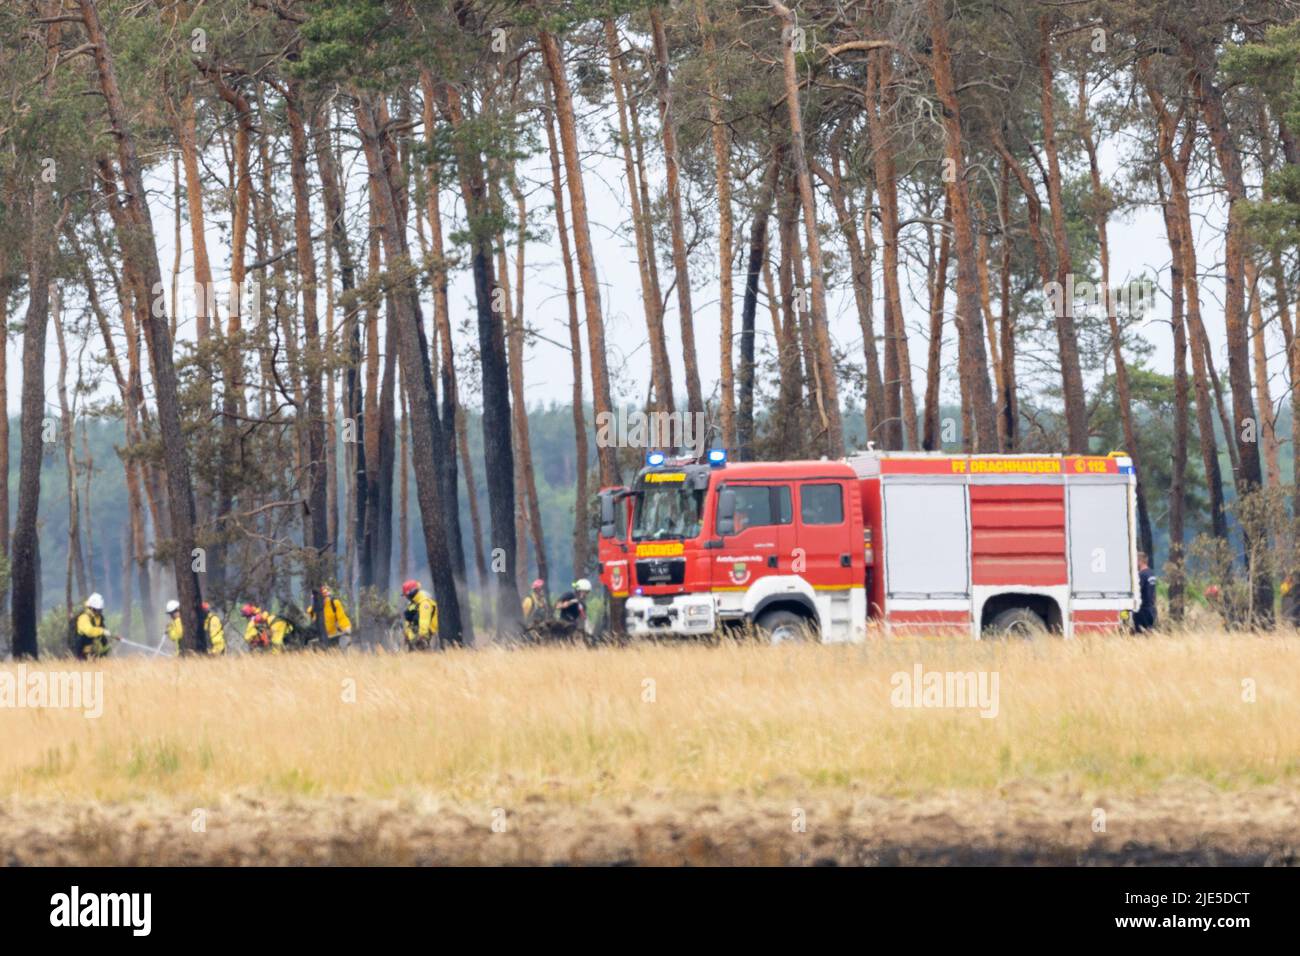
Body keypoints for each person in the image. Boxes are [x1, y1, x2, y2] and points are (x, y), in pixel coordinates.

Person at [73, 592, 117, 660]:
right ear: (92, 608)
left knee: (105, 644)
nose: (100, 612)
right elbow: (89, 631)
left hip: (92, 649)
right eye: (98, 610)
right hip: (81, 650)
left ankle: (103, 659)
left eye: (100, 610)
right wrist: (102, 631)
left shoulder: (98, 617)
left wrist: (110, 635)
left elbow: (101, 629)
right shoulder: (84, 617)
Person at [401, 579, 438, 650]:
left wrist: (422, 636)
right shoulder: (413, 603)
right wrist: (406, 635)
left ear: (411, 593)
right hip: (414, 640)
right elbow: (408, 621)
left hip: (425, 638)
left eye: (406, 595)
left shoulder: (425, 603)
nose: (406, 597)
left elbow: (424, 620)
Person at [1133, 551, 1158, 633]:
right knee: (1149, 632)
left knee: (1140, 634)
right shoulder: (1151, 573)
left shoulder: (1141, 575)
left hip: (1142, 610)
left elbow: (1137, 591)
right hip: (1152, 609)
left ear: (1139, 561)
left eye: (1135, 561)